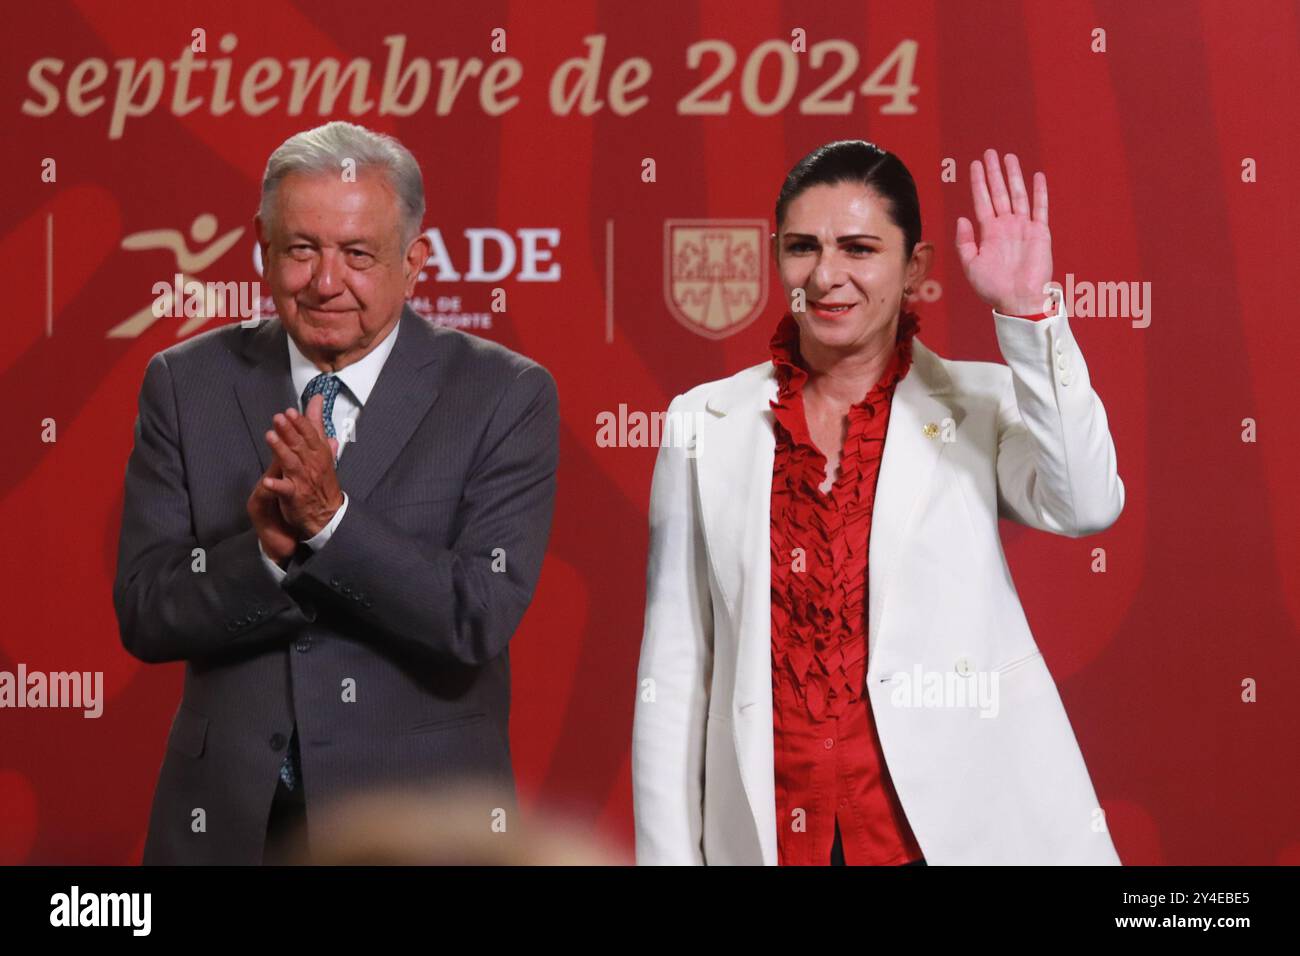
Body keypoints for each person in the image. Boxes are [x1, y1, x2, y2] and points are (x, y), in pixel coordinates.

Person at [632, 141, 1124, 866]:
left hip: (952, 834)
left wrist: (1028, 314)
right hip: (775, 835)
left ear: (915, 268)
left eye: (859, 248)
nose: (826, 275)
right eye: (802, 248)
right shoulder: (702, 423)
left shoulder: (981, 403)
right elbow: (674, 674)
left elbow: (1085, 502)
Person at [114, 121, 559, 865]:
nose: (325, 282)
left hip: (418, 829)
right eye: (301, 249)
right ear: (261, 245)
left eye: (357, 254)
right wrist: (261, 555)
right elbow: (145, 611)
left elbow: (476, 614)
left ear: (414, 261)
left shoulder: (503, 394)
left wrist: (332, 525)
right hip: (227, 826)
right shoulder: (184, 383)